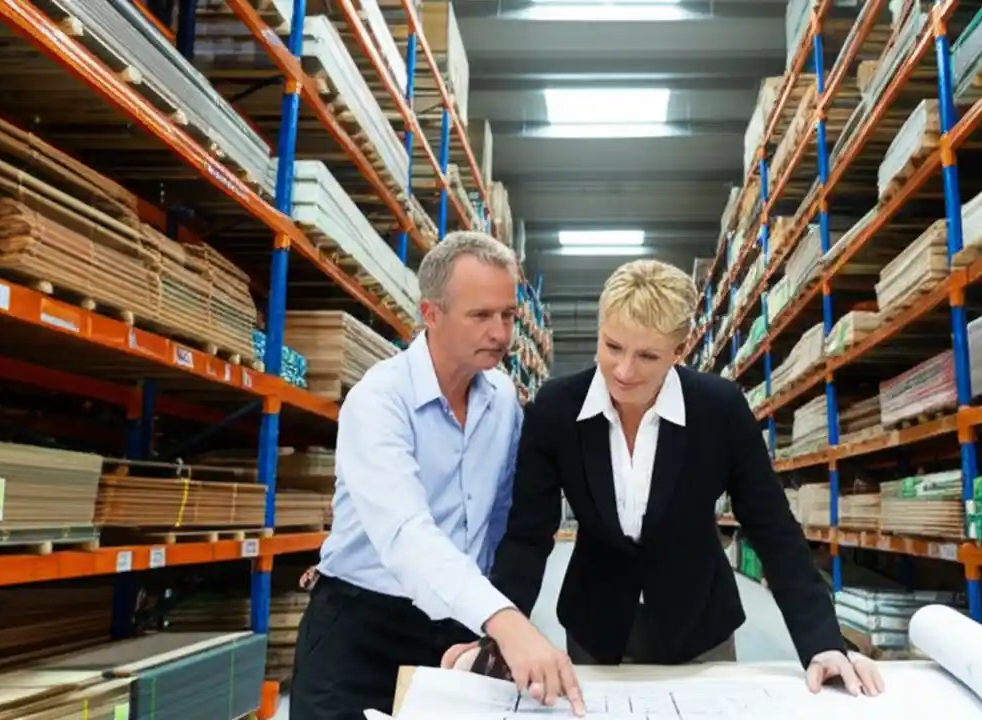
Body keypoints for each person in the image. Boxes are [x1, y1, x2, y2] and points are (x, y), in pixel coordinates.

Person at [445, 259, 883, 699]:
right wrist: (498, 630)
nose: (624, 371)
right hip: (595, 629)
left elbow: (772, 529)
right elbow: (527, 536)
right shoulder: (557, 409)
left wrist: (822, 642)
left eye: (647, 355)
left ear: (681, 349)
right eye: (612, 346)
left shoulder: (719, 409)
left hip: (699, 630)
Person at [290, 232, 584, 719]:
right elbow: (406, 534)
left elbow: (501, 520)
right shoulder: (380, 401)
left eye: (508, 315)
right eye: (481, 316)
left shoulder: (503, 400)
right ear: (431, 314)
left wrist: (485, 620)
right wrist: (504, 620)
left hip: (457, 623)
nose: (501, 333)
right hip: (361, 626)